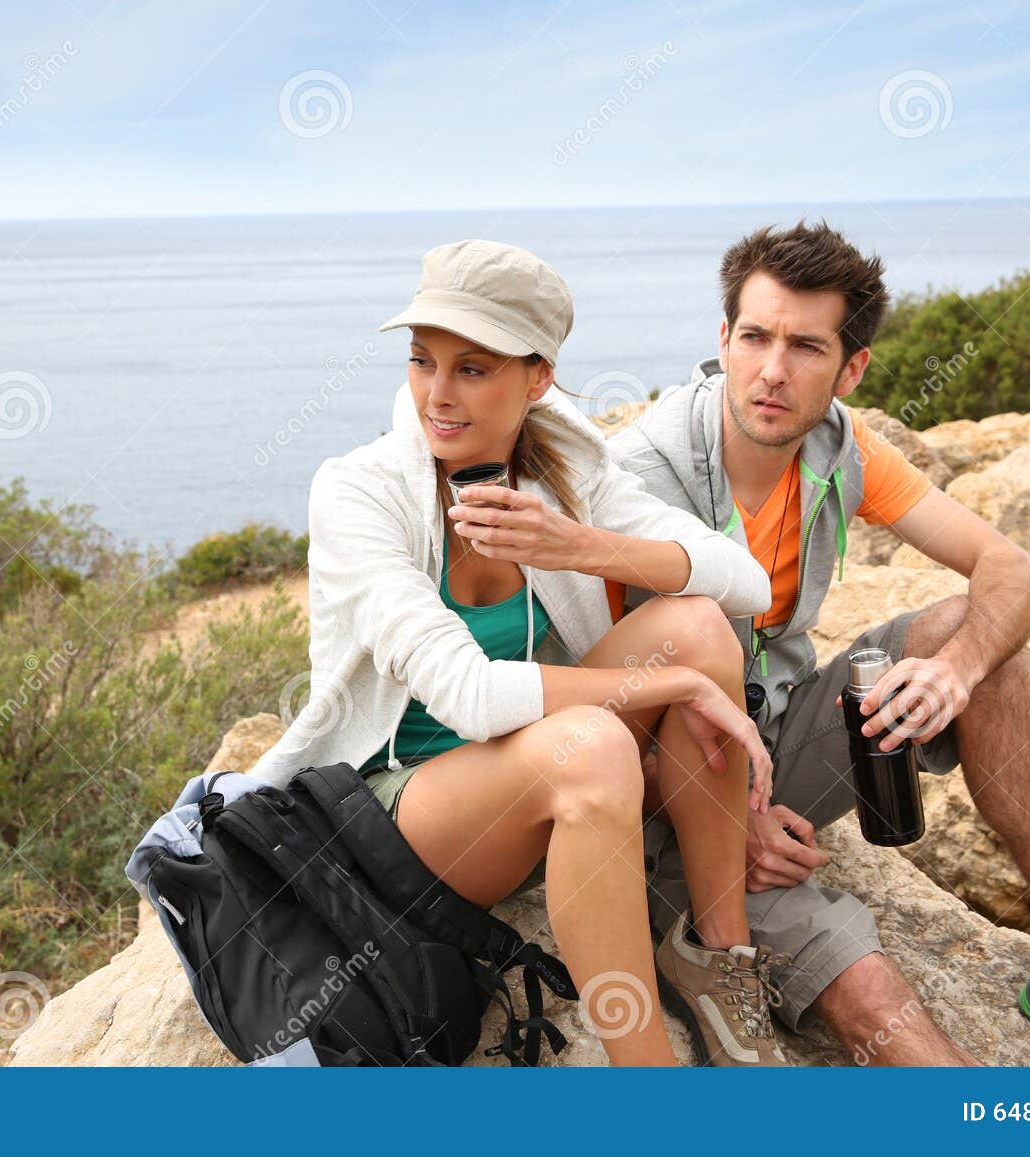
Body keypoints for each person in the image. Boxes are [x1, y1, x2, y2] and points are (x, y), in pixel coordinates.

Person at [609, 220, 1030, 1067]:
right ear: (723, 338)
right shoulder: (635, 481)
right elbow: (597, 714)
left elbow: (1013, 570)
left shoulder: (835, 447)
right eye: (755, 336)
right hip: (667, 799)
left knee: (974, 631)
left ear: (851, 369)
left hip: (773, 737)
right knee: (875, 990)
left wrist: (954, 674)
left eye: (806, 347)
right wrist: (729, 821)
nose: (773, 371)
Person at [249, 238, 789, 1066]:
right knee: (599, 735)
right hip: (415, 814)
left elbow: (741, 578)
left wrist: (580, 545)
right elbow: (468, 696)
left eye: (473, 368)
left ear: (537, 378)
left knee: (703, 626)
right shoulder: (359, 491)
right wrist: (677, 684)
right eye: (422, 359)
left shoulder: (560, 456)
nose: (438, 393)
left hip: (562, 769)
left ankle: (718, 951)